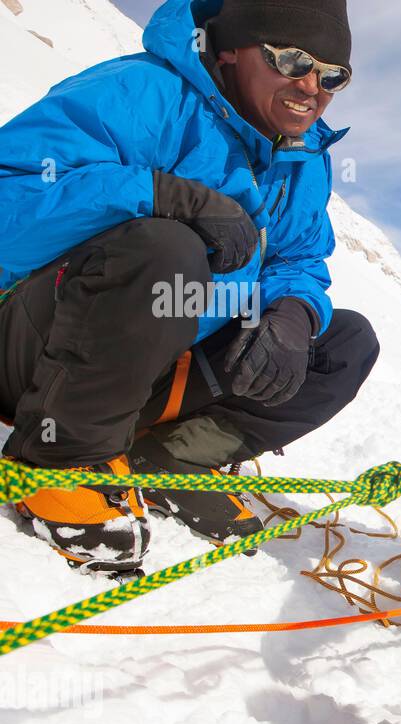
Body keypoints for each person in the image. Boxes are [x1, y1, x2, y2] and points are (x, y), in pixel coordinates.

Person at [0, 0, 378, 577]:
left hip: (148, 366)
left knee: (343, 341)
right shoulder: (145, 93)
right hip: (33, 350)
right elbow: (12, 201)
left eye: (333, 74)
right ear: (231, 50)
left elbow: (300, 257)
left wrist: (293, 311)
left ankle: (172, 459)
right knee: (166, 248)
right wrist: (161, 193)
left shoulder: (303, 156)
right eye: (293, 59)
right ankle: (59, 459)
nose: (312, 86)